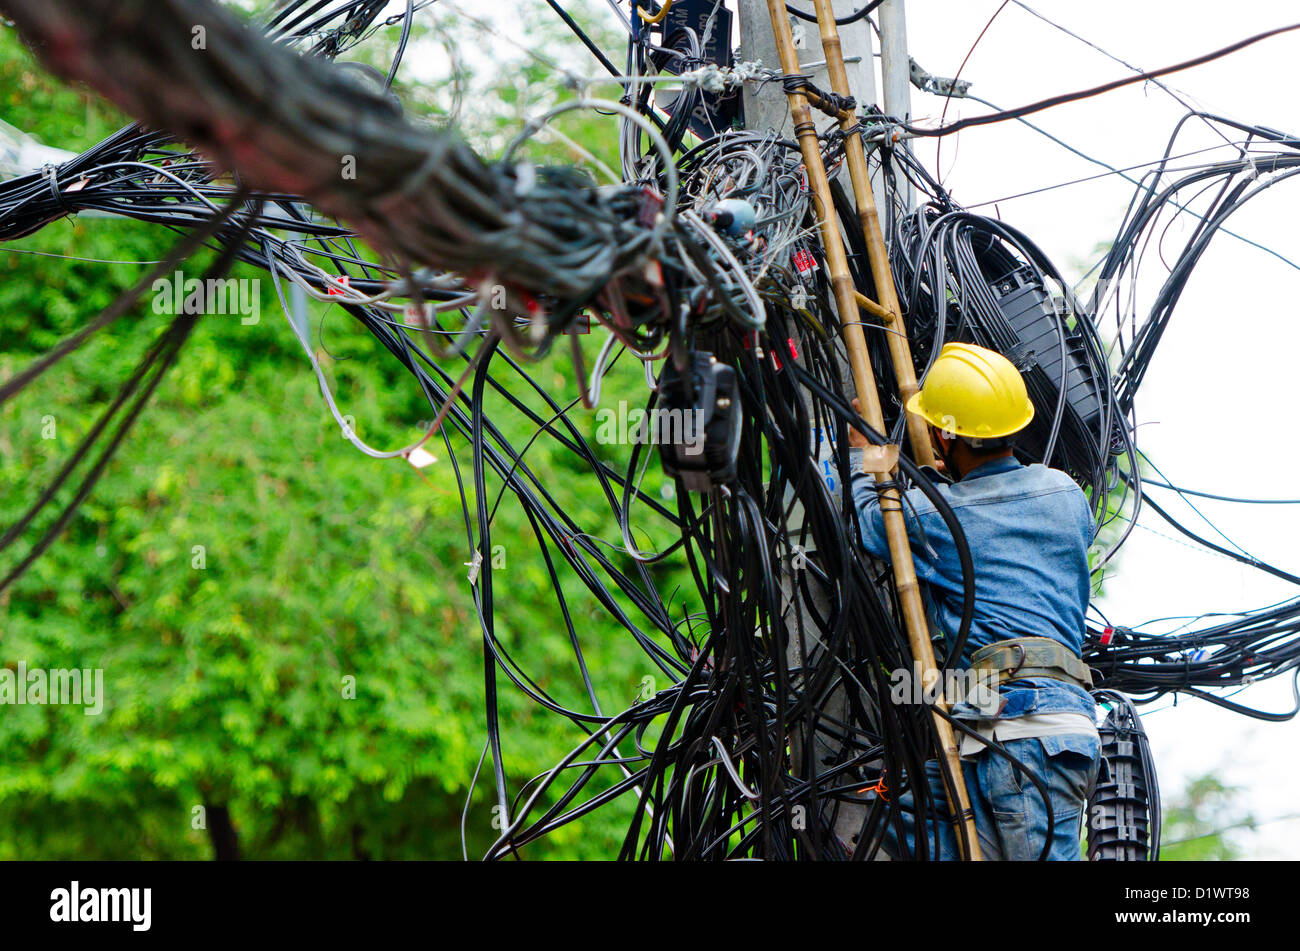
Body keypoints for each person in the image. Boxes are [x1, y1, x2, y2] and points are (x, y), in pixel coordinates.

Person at [846, 342, 1100, 860]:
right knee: (898, 828)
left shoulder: (940, 516)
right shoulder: (1064, 494)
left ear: (943, 434)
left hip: (1020, 724)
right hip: (1012, 718)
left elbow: (871, 524)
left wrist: (861, 451)